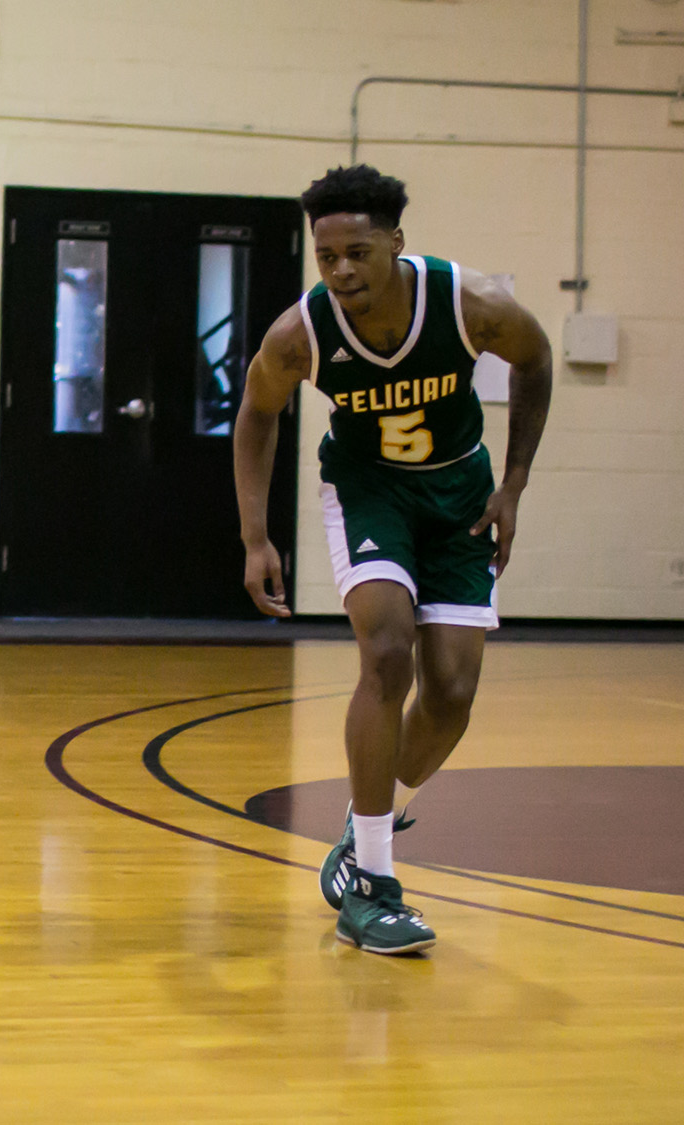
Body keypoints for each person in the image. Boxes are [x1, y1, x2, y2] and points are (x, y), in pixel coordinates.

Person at [233, 165, 551, 955]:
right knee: (385, 653)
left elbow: (537, 358)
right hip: (369, 490)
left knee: (450, 695)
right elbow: (256, 414)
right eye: (327, 254)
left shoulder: (469, 303)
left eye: (357, 252)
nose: (341, 269)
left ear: (396, 245)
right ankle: (373, 882)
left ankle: (362, 821)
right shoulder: (299, 332)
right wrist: (254, 535)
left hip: (459, 497)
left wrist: (513, 485)